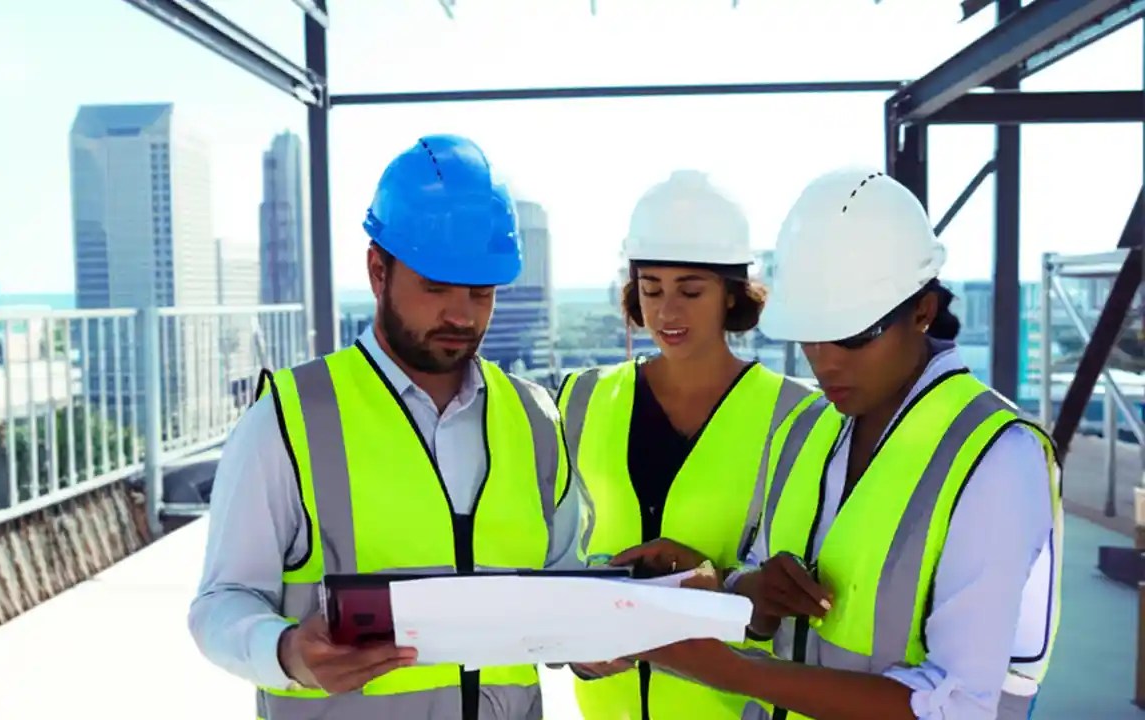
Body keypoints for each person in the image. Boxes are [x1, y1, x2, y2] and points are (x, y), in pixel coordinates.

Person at [616, 167, 1063, 720]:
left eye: (852, 336)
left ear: (922, 312)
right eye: (811, 334)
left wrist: (725, 668)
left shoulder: (995, 457)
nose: (825, 361)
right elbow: (772, 611)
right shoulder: (809, 429)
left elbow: (958, 705)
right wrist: (732, 586)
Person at [188, 134, 583, 720]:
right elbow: (220, 603)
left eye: (481, 291)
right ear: (378, 270)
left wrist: (606, 632)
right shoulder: (289, 418)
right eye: (436, 287)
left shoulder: (533, 416)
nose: (462, 314)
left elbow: (562, 586)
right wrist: (287, 651)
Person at [556, 170, 814, 720]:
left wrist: (721, 585)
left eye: (690, 291)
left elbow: (803, 584)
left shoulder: (794, 415)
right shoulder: (580, 398)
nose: (667, 313)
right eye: (652, 290)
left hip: (732, 705)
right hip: (604, 706)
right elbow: (558, 554)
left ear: (731, 294)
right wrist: (577, 651)